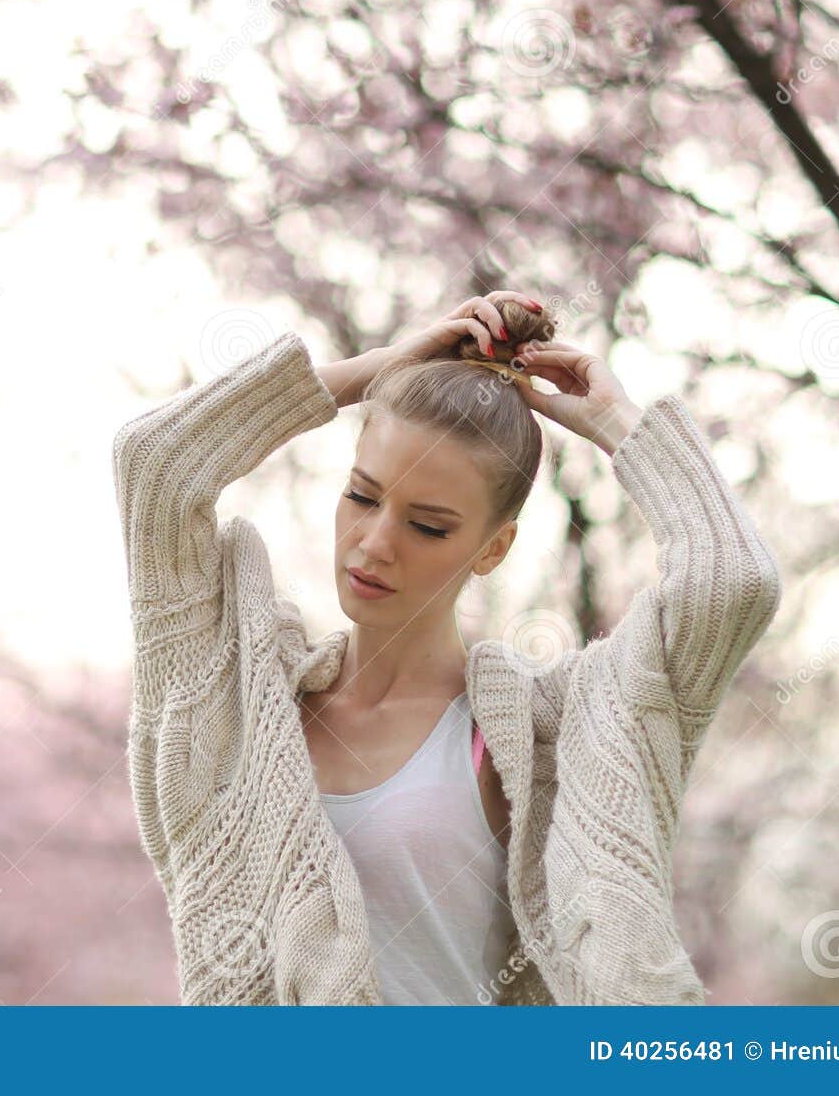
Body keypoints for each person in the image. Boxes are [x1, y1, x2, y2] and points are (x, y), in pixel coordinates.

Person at [111, 290, 783, 1004]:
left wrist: (617, 422)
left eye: (427, 526)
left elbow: (732, 582)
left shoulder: (543, 732)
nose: (373, 544)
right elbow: (155, 462)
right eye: (363, 496)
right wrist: (373, 372)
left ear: (494, 548)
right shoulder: (245, 696)